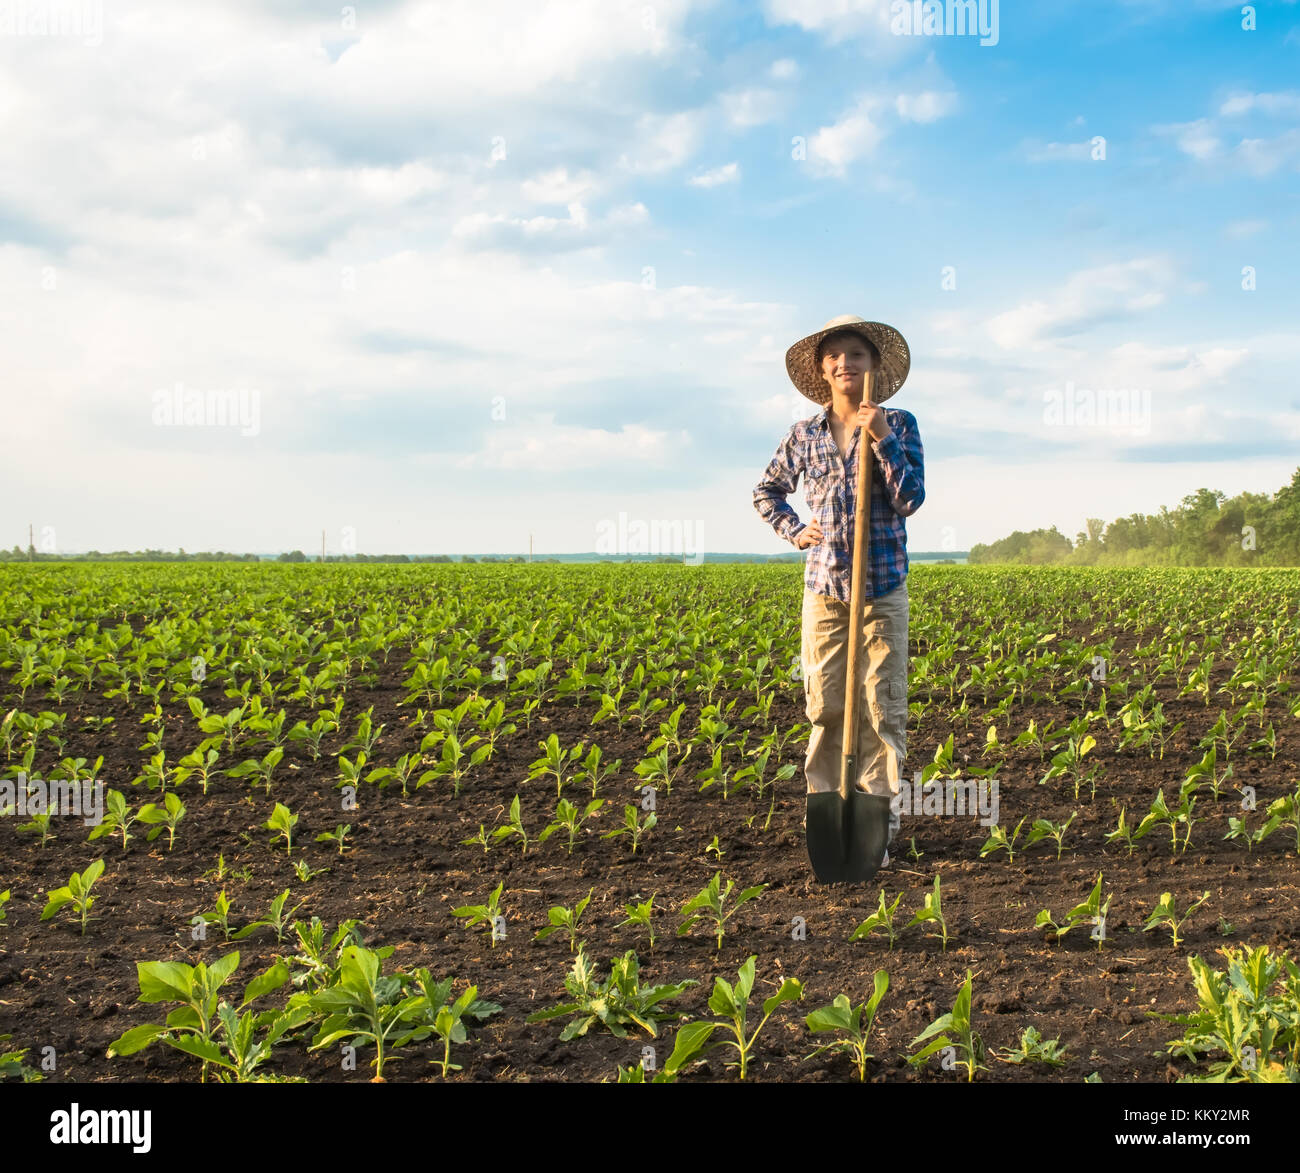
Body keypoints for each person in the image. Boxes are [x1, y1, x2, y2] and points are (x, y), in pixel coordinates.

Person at [752, 315, 925, 865]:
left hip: (882, 589)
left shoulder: (898, 422)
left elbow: (911, 499)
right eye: (835, 356)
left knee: (881, 709)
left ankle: (879, 827)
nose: (844, 363)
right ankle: (827, 812)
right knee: (826, 706)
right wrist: (794, 530)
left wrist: (882, 441)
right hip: (826, 589)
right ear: (822, 370)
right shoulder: (804, 433)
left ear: (873, 365)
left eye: (855, 354)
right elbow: (767, 491)